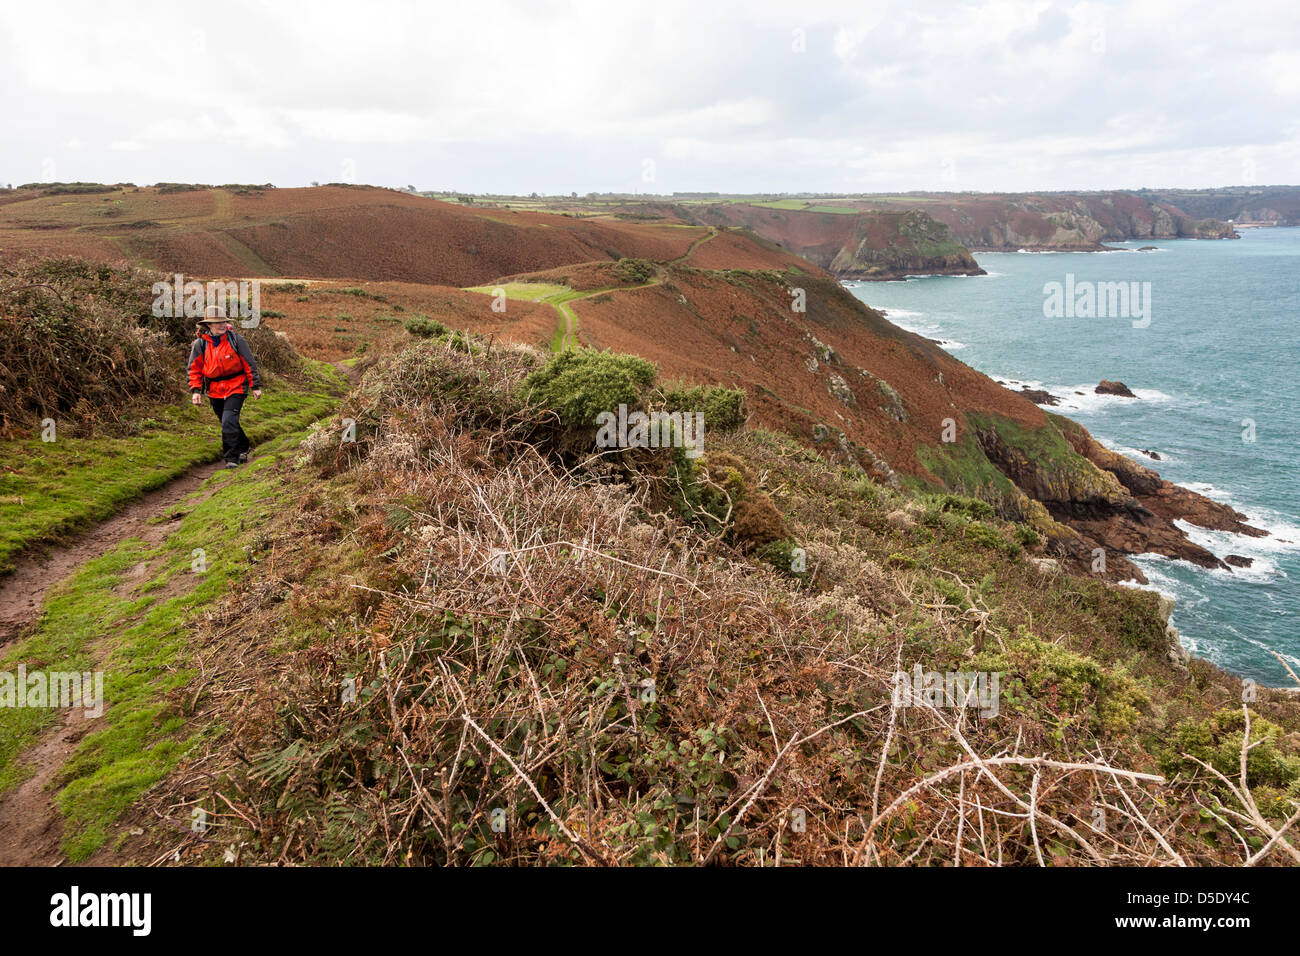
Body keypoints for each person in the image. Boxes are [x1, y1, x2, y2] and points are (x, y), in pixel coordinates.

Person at [188, 306, 263, 469]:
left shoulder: (236, 340)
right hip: (214, 389)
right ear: (208, 325)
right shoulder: (200, 344)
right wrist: (196, 391)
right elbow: (194, 369)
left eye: (223, 321)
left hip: (236, 386)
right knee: (226, 422)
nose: (221, 325)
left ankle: (232, 458)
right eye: (217, 322)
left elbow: (249, 363)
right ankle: (243, 446)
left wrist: (255, 385)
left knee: (228, 421)